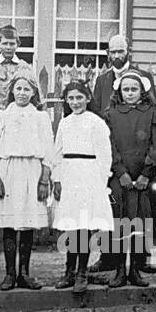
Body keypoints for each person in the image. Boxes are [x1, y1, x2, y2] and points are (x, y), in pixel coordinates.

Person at [88, 34, 156, 275]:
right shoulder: (103, 80)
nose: (116, 56)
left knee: (141, 208)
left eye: (120, 51)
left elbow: (152, 117)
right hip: (112, 156)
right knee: (112, 207)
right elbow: (96, 116)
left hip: (139, 157)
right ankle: (109, 258)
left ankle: (141, 259)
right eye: (112, 52)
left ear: (129, 51)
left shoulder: (143, 78)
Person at [0, 75, 55, 290]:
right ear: (12, 91)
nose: (22, 93)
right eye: (18, 88)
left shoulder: (41, 117)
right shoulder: (1, 116)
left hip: (32, 170)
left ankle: (24, 273)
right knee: (10, 224)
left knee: (27, 224)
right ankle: (10, 274)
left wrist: (44, 180)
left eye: (27, 89)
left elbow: (48, 149)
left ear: (34, 93)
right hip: (8, 170)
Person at [51, 80, 116, 295]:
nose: (75, 102)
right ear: (66, 101)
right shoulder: (64, 123)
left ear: (87, 98)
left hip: (89, 176)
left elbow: (105, 156)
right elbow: (58, 152)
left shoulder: (96, 122)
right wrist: (57, 179)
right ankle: (69, 271)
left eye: (79, 97)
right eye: (71, 98)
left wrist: (100, 182)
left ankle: (81, 272)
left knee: (85, 226)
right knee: (72, 225)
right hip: (70, 175)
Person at [103, 70, 156, 288]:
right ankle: (119, 269)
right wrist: (121, 172)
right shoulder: (110, 113)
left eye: (133, 89)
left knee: (140, 221)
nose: (129, 93)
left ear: (142, 91)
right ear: (119, 91)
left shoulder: (151, 112)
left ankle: (136, 269)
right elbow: (109, 145)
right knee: (119, 221)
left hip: (143, 177)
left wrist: (146, 173)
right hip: (120, 176)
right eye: (125, 89)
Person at [0, 25, 36, 125]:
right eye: (5, 43)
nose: (8, 47)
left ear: (17, 44)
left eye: (12, 44)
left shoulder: (24, 67)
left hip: (18, 119)